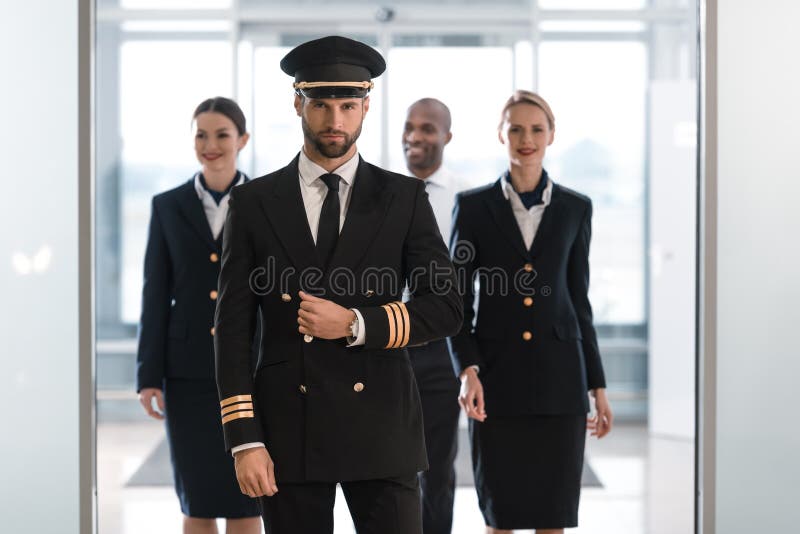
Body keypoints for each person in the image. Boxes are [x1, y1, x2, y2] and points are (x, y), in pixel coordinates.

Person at [213, 36, 463, 534]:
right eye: (321, 105)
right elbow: (233, 330)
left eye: (348, 106)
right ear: (297, 103)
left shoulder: (404, 197)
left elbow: (446, 307)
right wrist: (244, 439)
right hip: (289, 430)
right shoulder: (254, 202)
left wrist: (354, 323)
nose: (335, 121)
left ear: (366, 106)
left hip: (383, 428)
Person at [449, 90, 613, 534]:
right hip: (495, 383)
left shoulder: (576, 208)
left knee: (552, 516)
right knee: (499, 516)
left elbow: (578, 302)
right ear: (500, 134)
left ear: (551, 135)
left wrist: (597, 385)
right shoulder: (472, 207)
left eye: (537, 129)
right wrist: (467, 370)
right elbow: (457, 302)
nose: (527, 139)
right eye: (516, 129)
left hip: (562, 383)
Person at [136, 97, 261, 534]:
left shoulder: (265, 202)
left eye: (222, 135)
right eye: (201, 135)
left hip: (250, 370)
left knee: (247, 499)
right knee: (197, 498)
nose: (211, 145)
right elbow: (155, 295)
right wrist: (148, 374)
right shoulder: (166, 206)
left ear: (242, 140)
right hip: (186, 374)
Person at [402, 97, 467, 534]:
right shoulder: (382, 192)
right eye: (410, 126)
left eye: (427, 128)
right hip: (386, 346)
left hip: (442, 351)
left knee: (437, 467)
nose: (414, 136)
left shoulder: (465, 199)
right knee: (387, 466)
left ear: (447, 136)